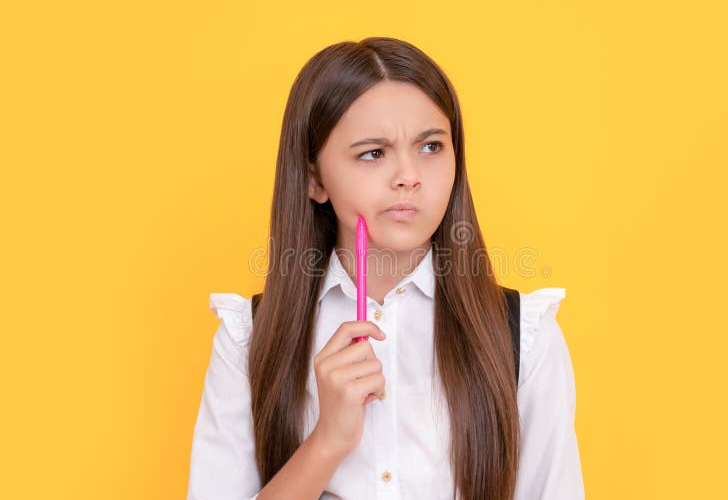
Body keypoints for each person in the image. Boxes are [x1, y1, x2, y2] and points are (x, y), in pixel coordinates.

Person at [187, 36, 584, 500]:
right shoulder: (247, 342)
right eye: (373, 153)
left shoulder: (524, 337)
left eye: (431, 146)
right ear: (315, 178)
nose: (409, 175)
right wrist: (327, 441)